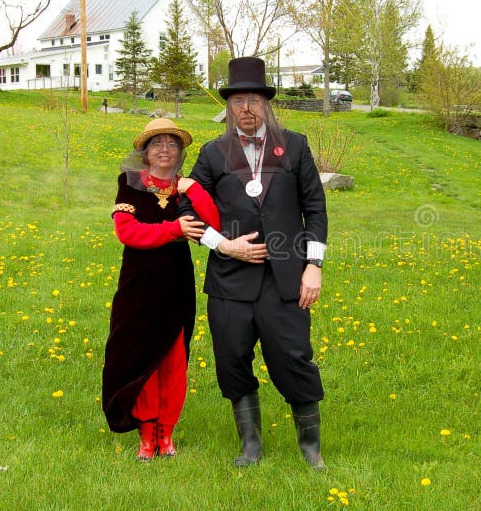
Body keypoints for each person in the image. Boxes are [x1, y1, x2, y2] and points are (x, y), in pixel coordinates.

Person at [178, 56, 328, 469]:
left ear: (266, 104)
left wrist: (313, 266)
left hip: (286, 278)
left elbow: (315, 208)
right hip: (230, 280)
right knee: (231, 358)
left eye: (253, 99)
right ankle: (250, 444)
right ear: (228, 106)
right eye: (237, 100)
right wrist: (224, 246)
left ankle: (310, 447)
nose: (245, 107)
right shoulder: (212, 153)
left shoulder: (294, 146)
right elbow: (187, 211)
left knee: (293, 357)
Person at [102, 117, 219, 461]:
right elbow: (127, 232)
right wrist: (174, 229)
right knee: (140, 359)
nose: (165, 149)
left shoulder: (187, 187)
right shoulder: (130, 183)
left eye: (172, 143)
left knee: (173, 362)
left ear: (180, 152)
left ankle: (166, 434)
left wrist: (194, 190)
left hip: (176, 286)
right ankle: (145, 435)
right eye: (157, 143)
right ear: (145, 151)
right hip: (138, 287)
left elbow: (214, 223)